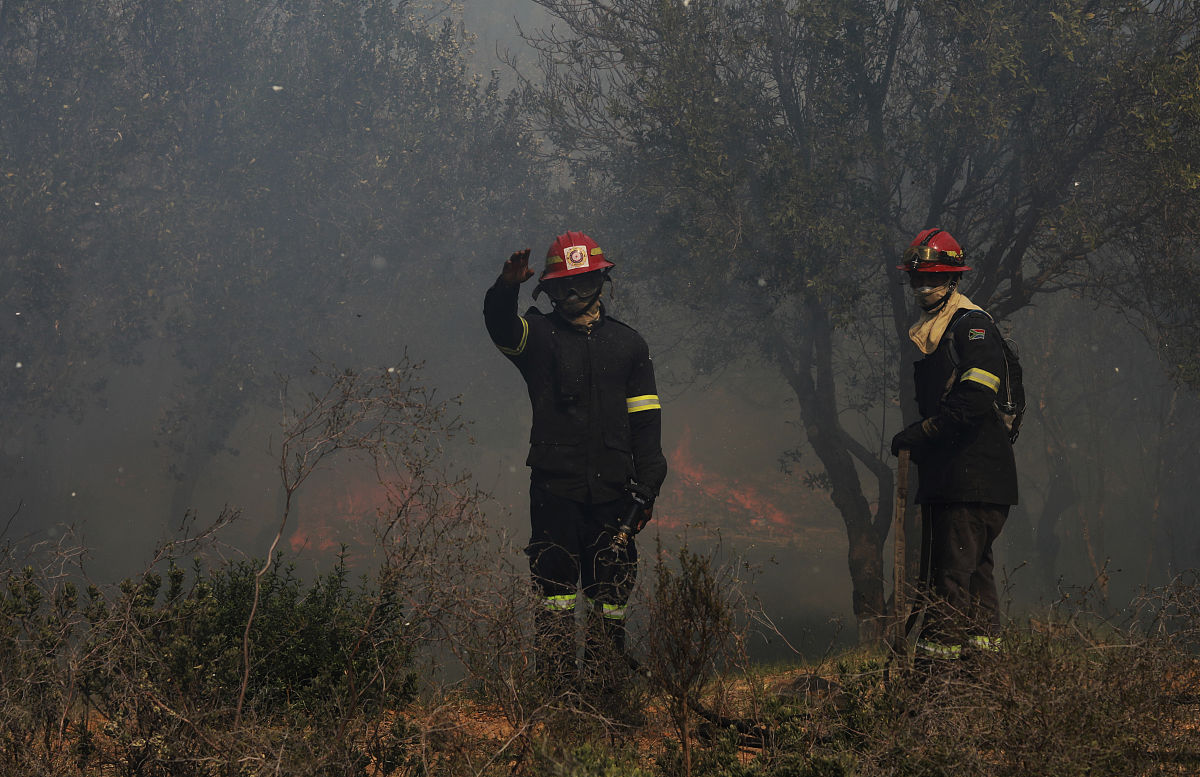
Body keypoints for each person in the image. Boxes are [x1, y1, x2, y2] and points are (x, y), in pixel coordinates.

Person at [483, 231, 668, 691]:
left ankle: (608, 695)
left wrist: (646, 489)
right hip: (555, 495)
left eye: (579, 282)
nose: (569, 295)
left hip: (613, 497)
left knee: (611, 598)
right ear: (546, 289)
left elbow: (646, 427)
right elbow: (499, 326)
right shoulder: (536, 337)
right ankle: (556, 695)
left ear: (598, 281)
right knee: (556, 598)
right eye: (561, 286)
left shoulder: (629, 345)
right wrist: (505, 288)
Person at [890, 228, 1018, 665]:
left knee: (949, 582)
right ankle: (984, 679)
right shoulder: (940, 328)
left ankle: (935, 688)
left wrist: (923, 433)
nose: (923, 287)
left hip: (971, 479)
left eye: (933, 278)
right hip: (964, 481)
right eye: (916, 279)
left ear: (953, 279)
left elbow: (976, 396)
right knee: (976, 578)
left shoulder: (972, 325)